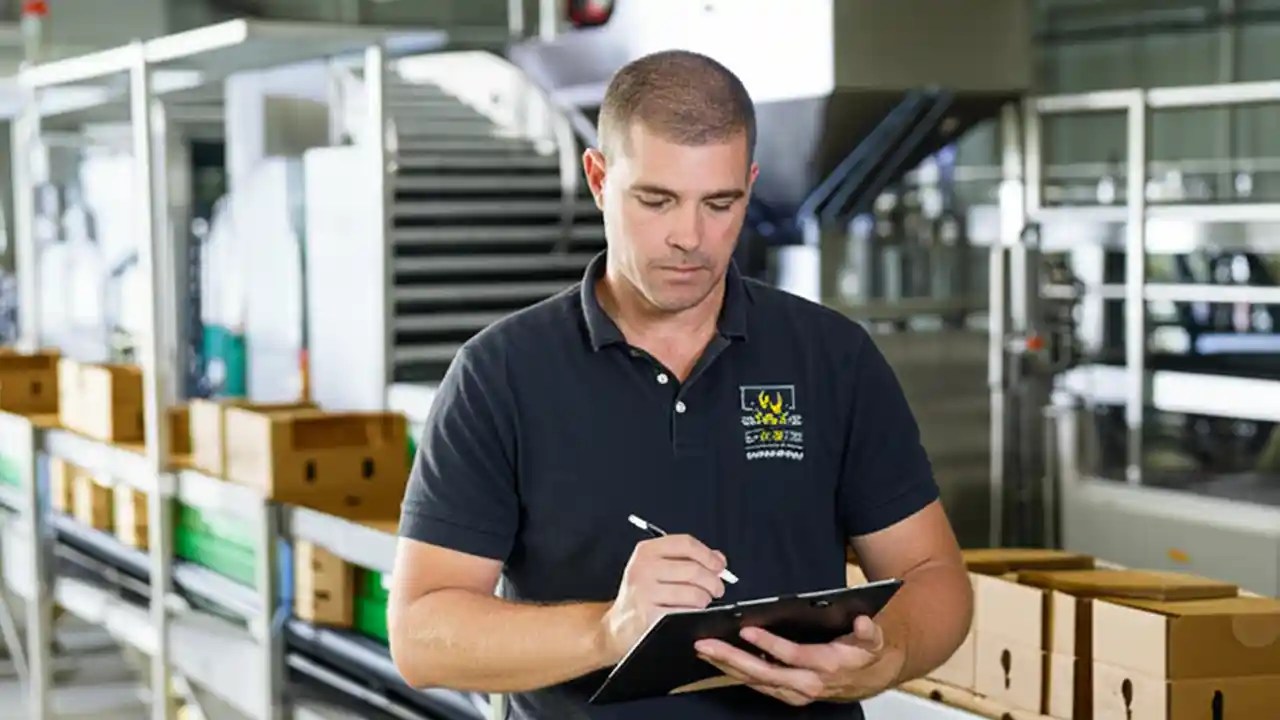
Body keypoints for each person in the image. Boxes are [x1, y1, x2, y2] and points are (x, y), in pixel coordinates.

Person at [388, 49, 973, 719]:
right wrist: (609, 630)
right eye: (657, 200)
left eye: (719, 203)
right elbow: (421, 635)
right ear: (599, 179)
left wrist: (886, 656)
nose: (689, 237)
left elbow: (936, 578)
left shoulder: (834, 358)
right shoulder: (500, 375)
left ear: (749, 186)